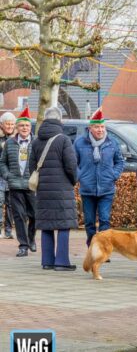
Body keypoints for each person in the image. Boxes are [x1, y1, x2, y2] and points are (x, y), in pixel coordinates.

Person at [29, 107, 78, 271]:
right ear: (60, 120)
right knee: (63, 225)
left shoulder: (36, 141)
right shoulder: (63, 140)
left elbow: (32, 167)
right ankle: (62, 262)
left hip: (43, 190)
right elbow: (71, 166)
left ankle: (47, 261)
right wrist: (73, 181)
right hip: (62, 189)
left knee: (46, 225)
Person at [74, 108, 125, 246]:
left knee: (104, 219)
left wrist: (113, 175)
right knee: (89, 221)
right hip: (87, 189)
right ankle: (92, 246)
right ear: (90, 127)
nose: (100, 130)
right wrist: (80, 176)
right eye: (97, 127)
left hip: (106, 189)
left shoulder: (112, 142)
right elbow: (73, 163)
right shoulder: (80, 143)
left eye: (102, 127)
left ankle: (103, 248)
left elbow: (120, 161)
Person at [0, 107, 37, 256]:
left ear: (30, 127)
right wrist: (8, 175)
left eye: (27, 125)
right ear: (17, 127)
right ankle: (23, 245)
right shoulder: (9, 143)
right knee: (19, 216)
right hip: (15, 184)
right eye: (21, 125)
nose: (24, 128)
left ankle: (31, 239)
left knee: (34, 215)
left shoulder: (36, 142)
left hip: (32, 184)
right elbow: (2, 162)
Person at [1, 111, 17, 238]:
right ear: (1, 125)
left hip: (12, 176)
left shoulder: (17, 139)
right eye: (8, 124)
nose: (10, 126)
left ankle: (8, 230)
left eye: (12, 124)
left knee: (11, 204)